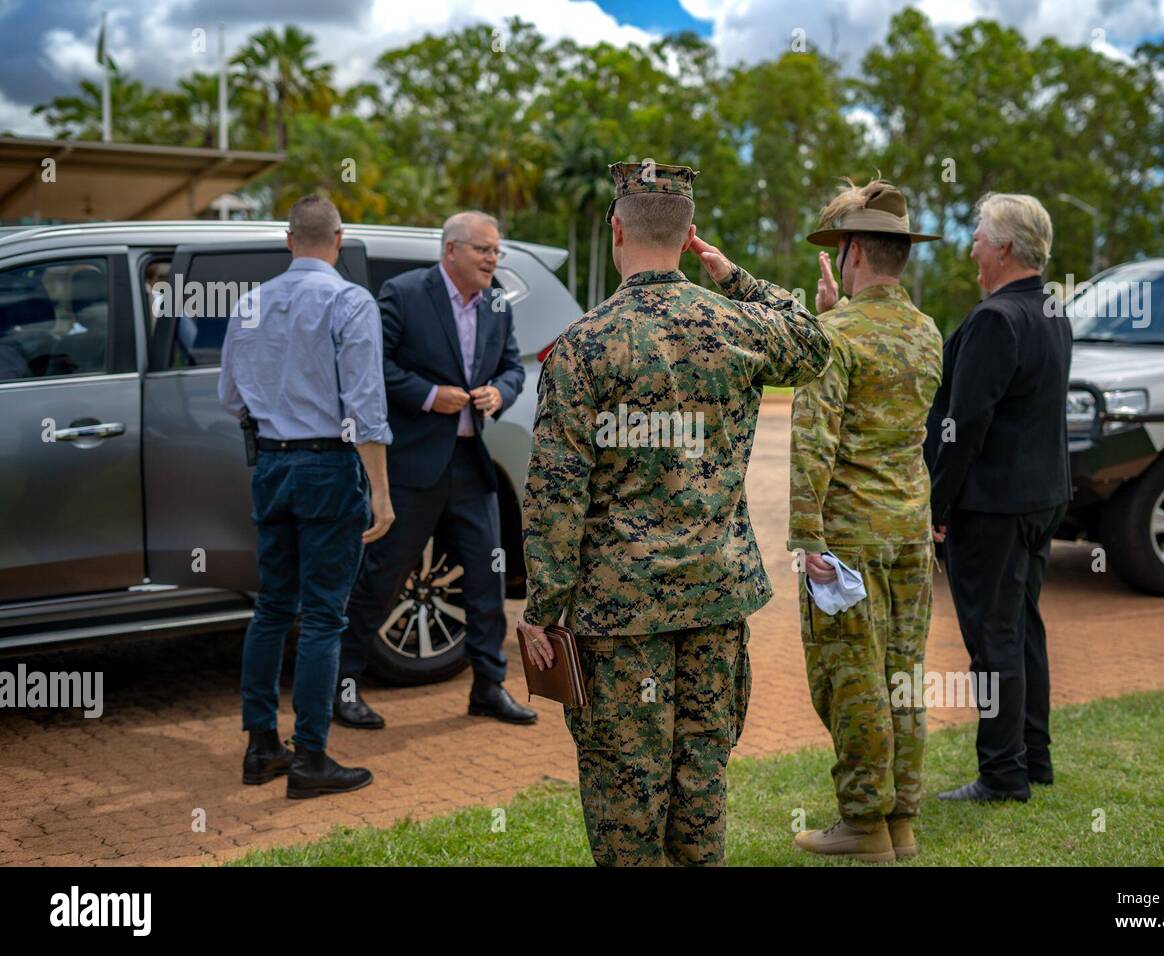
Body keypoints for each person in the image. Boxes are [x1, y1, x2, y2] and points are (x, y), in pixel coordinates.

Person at [519, 161, 831, 866]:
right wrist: (734, 277)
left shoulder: (580, 347)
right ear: (690, 234)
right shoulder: (737, 324)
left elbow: (555, 494)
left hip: (616, 613)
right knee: (701, 782)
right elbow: (813, 340)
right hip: (714, 602)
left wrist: (542, 606)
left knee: (625, 796)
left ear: (616, 229)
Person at [218, 194, 394, 799]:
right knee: (323, 616)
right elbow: (367, 408)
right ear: (338, 240)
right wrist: (382, 492)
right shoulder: (350, 300)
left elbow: (230, 400)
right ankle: (311, 757)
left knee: (271, 608)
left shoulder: (248, 302)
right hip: (327, 464)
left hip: (271, 463)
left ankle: (261, 745)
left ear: (289, 239)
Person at [787, 179, 943, 862]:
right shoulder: (927, 330)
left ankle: (862, 824)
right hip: (910, 528)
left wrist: (805, 539)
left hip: (847, 536)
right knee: (902, 676)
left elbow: (814, 443)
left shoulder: (836, 334)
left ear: (849, 251)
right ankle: (900, 820)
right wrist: (836, 313)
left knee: (852, 681)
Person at [337, 211, 533, 728]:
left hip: (473, 467)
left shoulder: (495, 303)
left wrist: (501, 392)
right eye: (484, 250)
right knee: (382, 577)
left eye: (496, 251)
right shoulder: (403, 294)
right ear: (451, 251)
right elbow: (374, 365)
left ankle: (489, 688)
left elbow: (513, 366)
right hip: (412, 465)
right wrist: (428, 396)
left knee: (488, 581)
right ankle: (344, 686)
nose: (494, 259)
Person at [925, 192, 1071, 803]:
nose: (972, 247)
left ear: (1005, 248)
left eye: (980, 236)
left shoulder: (994, 319)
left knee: (995, 639)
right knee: (1022, 628)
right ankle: (1032, 757)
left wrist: (937, 507)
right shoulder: (1054, 310)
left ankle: (1003, 774)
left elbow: (965, 425)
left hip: (993, 505)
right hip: (1040, 498)